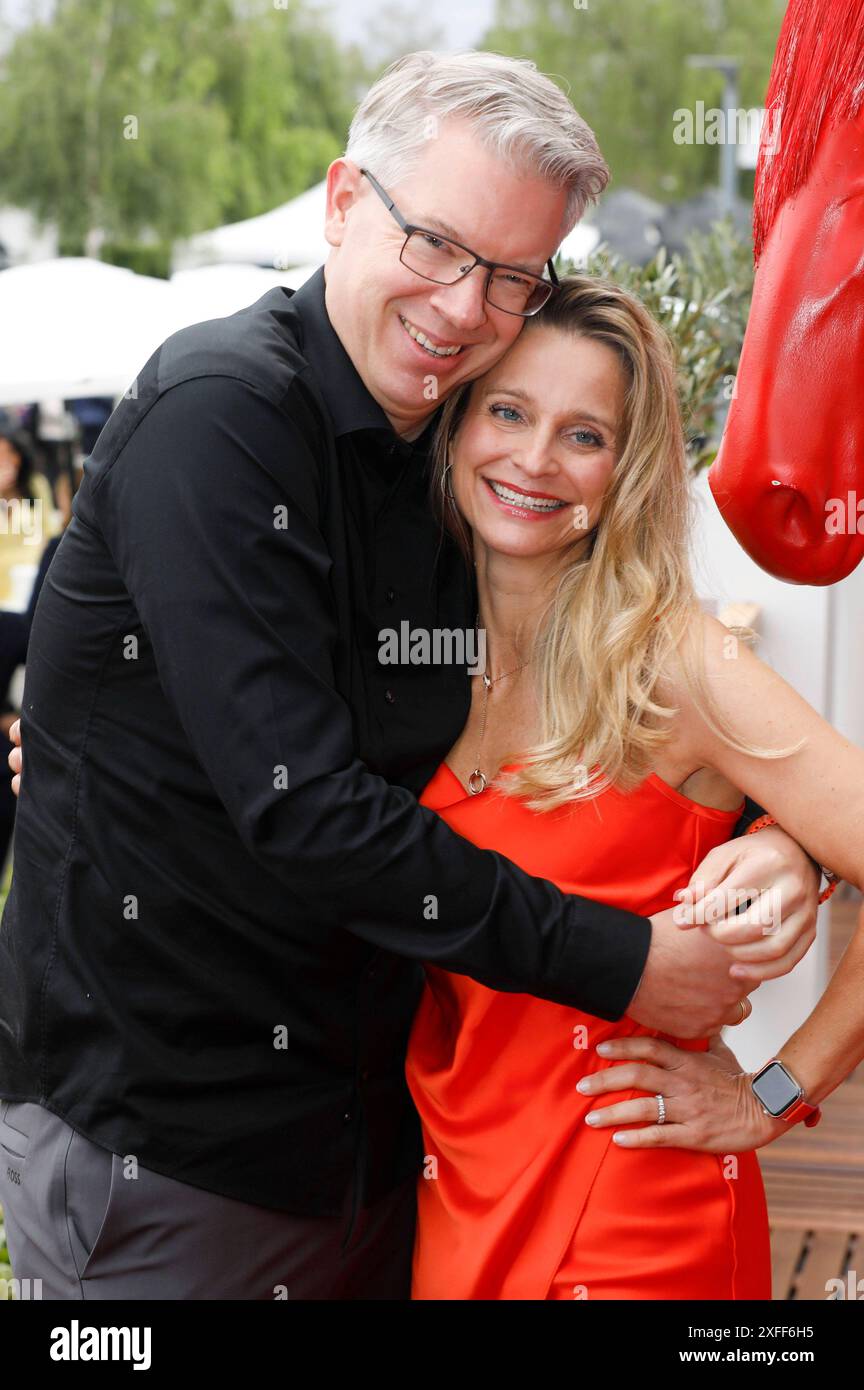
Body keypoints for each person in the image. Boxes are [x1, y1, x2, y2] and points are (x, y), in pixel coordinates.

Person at [0, 51, 820, 1301]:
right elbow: (305, 807)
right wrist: (628, 958)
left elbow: (633, 742)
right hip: (180, 1155)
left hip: (408, 1158)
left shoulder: (438, 447)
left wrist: (774, 839)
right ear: (341, 203)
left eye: (510, 275)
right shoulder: (221, 417)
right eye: (434, 242)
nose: (461, 305)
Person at [405, 274, 864, 1299]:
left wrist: (778, 1091)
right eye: (509, 411)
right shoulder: (401, 663)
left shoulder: (677, 664)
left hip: (633, 1222)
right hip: (452, 1200)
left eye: (584, 435)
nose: (532, 458)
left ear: (628, 468)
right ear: (457, 425)